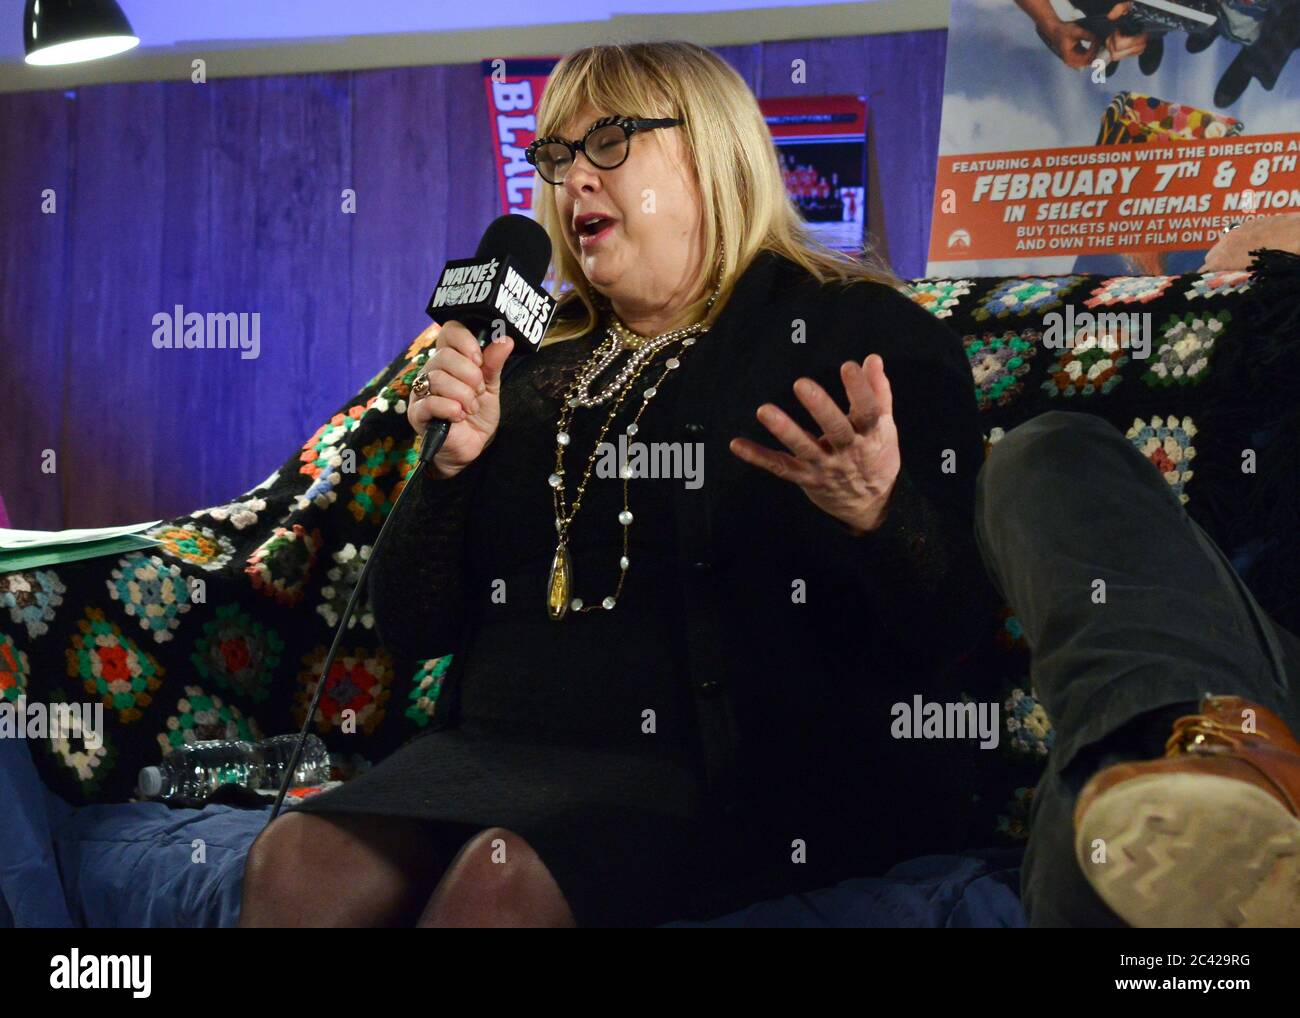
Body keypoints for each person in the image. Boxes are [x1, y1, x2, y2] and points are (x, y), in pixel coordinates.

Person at [236, 40, 996, 928]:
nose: (573, 182)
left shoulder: (853, 333)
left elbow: (957, 621)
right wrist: (445, 470)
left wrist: (877, 512)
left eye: (609, 143)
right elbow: (411, 623)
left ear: (711, 151)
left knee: (497, 881)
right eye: (557, 157)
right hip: (495, 753)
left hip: (721, 767)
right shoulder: (525, 356)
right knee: (299, 858)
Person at [980, 213, 1300, 927]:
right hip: (1237, 700)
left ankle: (1207, 777)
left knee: (1115, 786)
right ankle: (1212, 766)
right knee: (1048, 456)